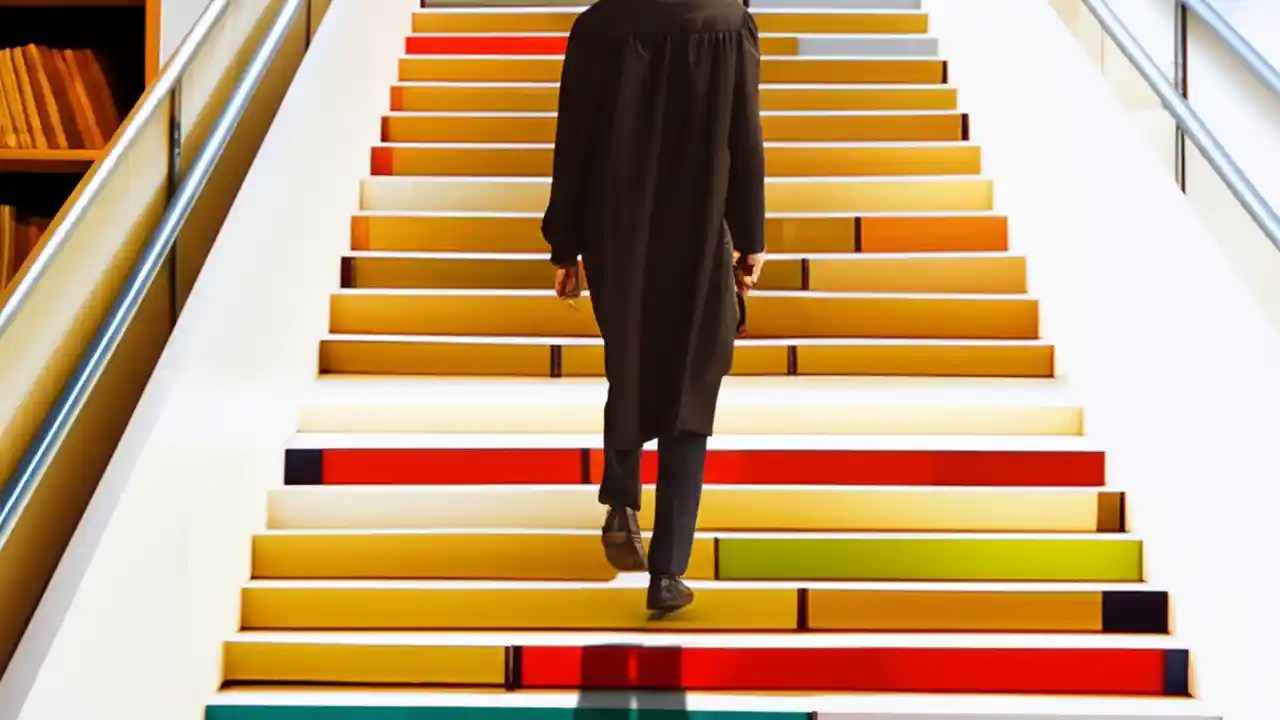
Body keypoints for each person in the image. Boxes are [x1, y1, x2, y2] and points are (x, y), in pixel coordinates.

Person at [541, 0, 766, 612]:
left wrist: (565, 244)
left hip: (616, 227)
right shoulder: (729, 24)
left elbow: (575, 138)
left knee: (631, 355)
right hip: (699, 233)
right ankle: (668, 570)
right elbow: (743, 133)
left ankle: (620, 494)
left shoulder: (598, 25)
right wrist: (751, 236)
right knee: (691, 378)